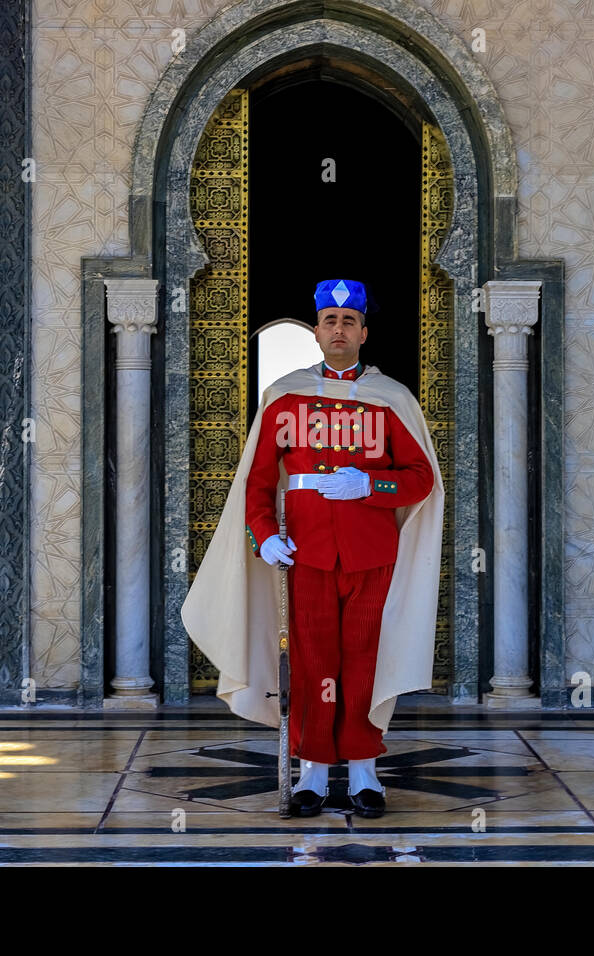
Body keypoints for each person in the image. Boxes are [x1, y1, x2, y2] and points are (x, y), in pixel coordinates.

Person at [181, 278, 444, 818]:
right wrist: (265, 534)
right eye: (330, 321)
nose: (340, 329)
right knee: (312, 664)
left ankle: (366, 776)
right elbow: (257, 482)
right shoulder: (284, 397)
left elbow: (421, 479)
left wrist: (371, 486)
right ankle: (314, 776)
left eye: (350, 321)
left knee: (364, 665)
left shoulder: (391, 399)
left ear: (365, 332)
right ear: (317, 331)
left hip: (373, 555)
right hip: (306, 555)